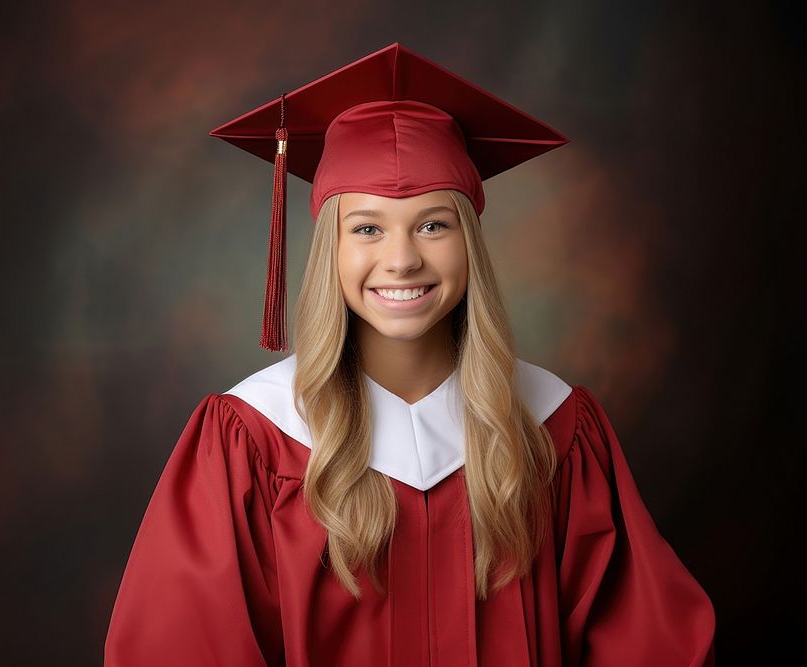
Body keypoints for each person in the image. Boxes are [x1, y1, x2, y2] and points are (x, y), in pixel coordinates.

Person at [103, 43, 716, 666]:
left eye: (433, 225)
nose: (402, 259)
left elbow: (649, 642)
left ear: (470, 243)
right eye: (367, 227)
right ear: (330, 251)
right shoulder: (252, 439)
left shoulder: (555, 430)